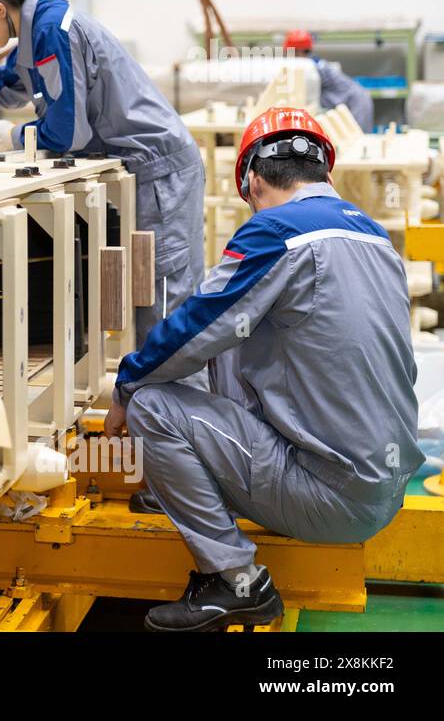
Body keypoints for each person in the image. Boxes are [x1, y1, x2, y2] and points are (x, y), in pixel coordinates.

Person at [108, 107, 423, 631]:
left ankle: (235, 580)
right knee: (242, 329)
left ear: (253, 182)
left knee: (152, 405)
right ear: (325, 174)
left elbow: (194, 326)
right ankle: (201, 479)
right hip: (384, 486)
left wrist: (126, 383)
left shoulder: (276, 231)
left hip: (327, 495)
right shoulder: (373, 236)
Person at [0, 0, 204, 340]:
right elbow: (5, 85)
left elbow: (68, 135)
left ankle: (178, 384)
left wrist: (11, 136)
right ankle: (151, 381)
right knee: (146, 302)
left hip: (160, 172)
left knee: (163, 304)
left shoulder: (51, 31)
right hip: (145, 168)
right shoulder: (37, 29)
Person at [285, 29, 374, 132]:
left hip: (356, 103)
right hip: (349, 102)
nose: (289, 56)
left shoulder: (313, 68)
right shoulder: (312, 64)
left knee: (357, 137)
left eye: (290, 52)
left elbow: (305, 93)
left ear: (299, 51)